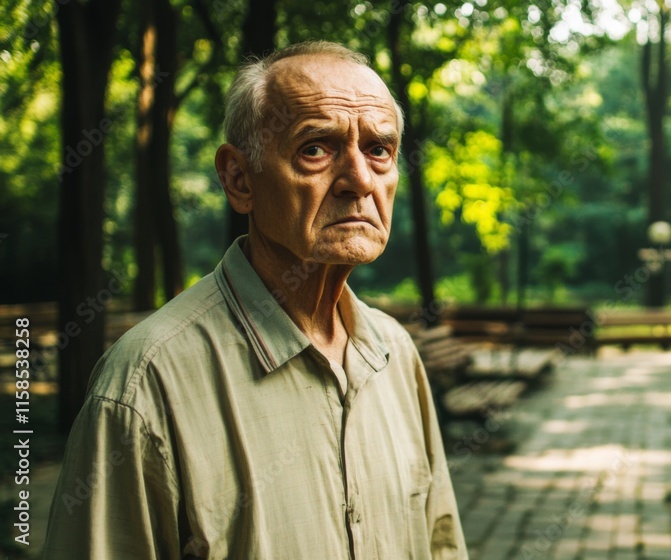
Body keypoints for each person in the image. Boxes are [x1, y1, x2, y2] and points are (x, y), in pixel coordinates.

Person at [43, 41, 467, 559]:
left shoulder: (395, 354)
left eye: (379, 149)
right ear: (239, 179)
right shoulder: (147, 382)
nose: (359, 180)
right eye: (316, 148)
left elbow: (440, 543)